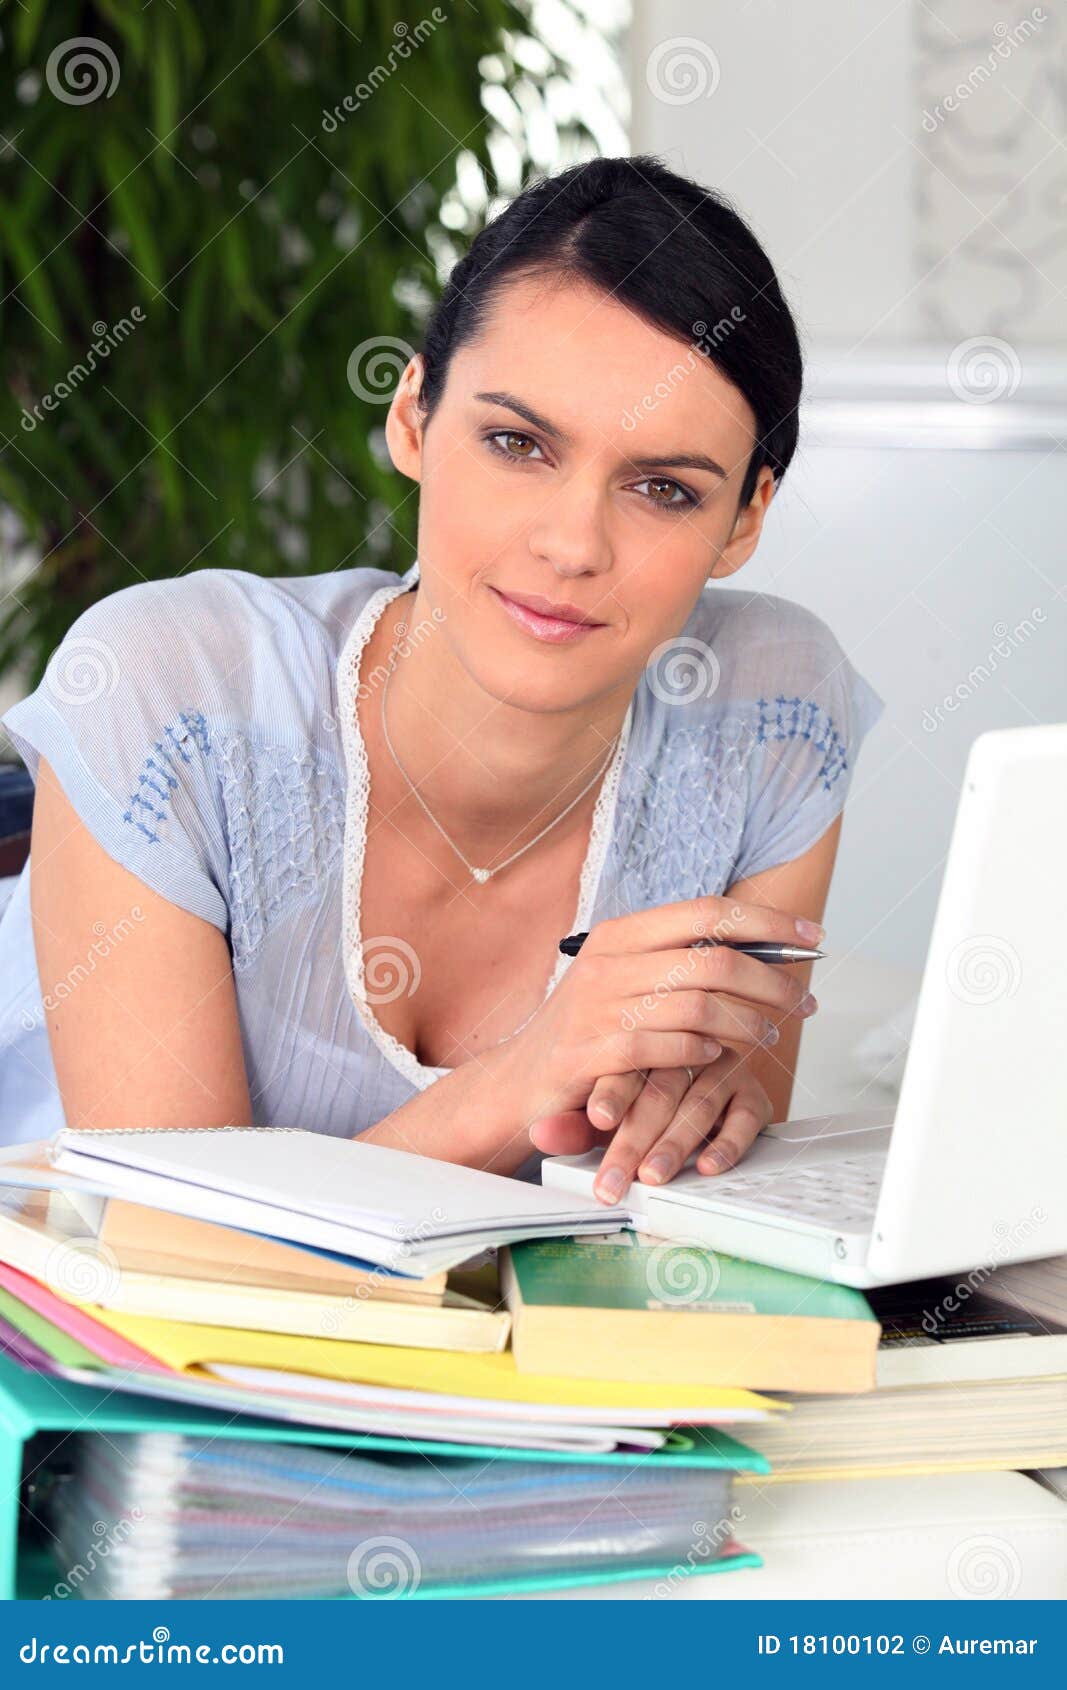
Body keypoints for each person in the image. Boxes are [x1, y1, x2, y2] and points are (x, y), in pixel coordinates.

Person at [0, 155, 882, 1202]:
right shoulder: (167, 689)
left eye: (662, 489)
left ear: (743, 519)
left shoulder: (773, 712)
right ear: (413, 416)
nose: (572, 545)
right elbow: (168, 1245)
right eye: (516, 443)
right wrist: (522, 1080)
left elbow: (695, 1195)